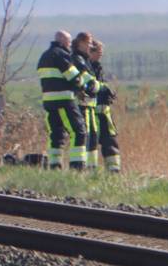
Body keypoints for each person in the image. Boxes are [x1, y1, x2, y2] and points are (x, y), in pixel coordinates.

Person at [36, 30, 88, 169]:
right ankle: (77, 166)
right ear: (63, 41)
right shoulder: (61, 55)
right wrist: (84, 85)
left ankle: (54, 166)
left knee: (56, 134)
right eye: (69, 42)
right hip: (64, 100)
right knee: (78, 131)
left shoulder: (43, 56)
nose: (70, 45)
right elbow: (74, 77)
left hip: (48, 102)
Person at [89, 40, 122, 172]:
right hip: (93, 113)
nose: (100, 56)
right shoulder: (85, 66)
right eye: (98, 53)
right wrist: (104, 89)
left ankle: (114, 171)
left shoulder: (97, 67)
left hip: (104, 113)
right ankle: (91, 171)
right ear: (90, 51)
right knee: (91, 143)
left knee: (110, 142)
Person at [71, 32, 102, 169]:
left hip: (89, 105)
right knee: (85, 135)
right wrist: (100, 87)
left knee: (92, 136)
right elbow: (87, 81)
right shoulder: (77, 59)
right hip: (81, 104)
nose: (90, 46)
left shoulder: (85, 59)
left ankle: (92, 168)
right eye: (89, 43)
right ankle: (82, 167)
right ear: (82, 43)